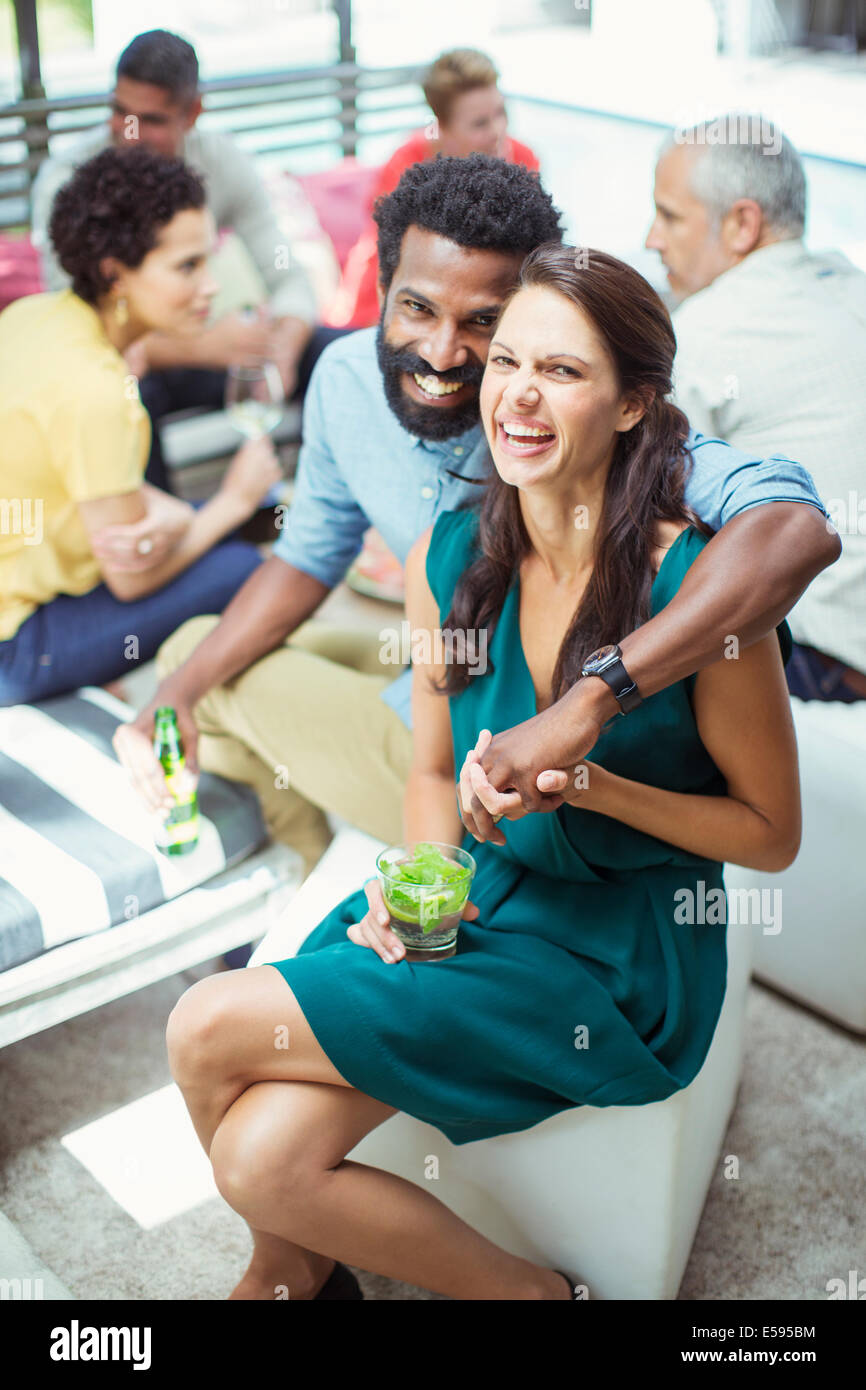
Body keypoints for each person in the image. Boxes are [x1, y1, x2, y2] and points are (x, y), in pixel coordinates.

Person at [161, 246, 801, 1301]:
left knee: (201, 1023)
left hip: (617, 950)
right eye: (506, 361)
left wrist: (591, 784)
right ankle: (509, 1293)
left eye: (562, 371)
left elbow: (767, 833)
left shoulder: (694, 595)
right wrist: (420, 894)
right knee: (258, 1158)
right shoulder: (450, 556)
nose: (515, 393)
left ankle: (288, 1274)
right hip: (478, 900)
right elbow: (425, 770)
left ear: (635, 402)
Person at [113, 154, 836, 881]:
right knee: (193, 670)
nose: (440, 351)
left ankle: (313, 874)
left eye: (483, 324)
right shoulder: (347, 382)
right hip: (447, 680)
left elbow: (798, 528)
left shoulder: (572, 422)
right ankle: (307, 868)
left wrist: (586, 705)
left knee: (204, 677)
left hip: (515, 752)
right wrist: (172, 698)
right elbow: (308, 555)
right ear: (382, 288)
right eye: (417, 307)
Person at [0, 146, 279, 706]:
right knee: (248, 565)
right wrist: (233, 499)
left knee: (213, 528)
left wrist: (177, 516)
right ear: (114, 274)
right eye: (187, 267)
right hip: (18, 644)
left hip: (30, 573)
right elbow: (131, 580)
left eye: (207, 259)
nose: (212, 287)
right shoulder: (98, 393)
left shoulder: (33, 316)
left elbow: (73, 470)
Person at [30, 28, 342, 496]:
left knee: (340, 356)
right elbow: (79, 335)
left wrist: (282, 345)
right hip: (139, 360)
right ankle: (162, 545)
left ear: (192, 113)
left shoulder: (221, 160)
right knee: (124, 392)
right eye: (119, 111)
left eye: (151, 119)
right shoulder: (68, 182)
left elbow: (287, 274)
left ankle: (334, 514)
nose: (129, 133)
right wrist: (205, 348)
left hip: (219, 351)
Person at [645, 113, 866, 704]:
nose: (651, 239)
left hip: (824, 661)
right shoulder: (849, 282)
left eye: (668, 215)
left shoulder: (708, 333)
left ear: (743, 223)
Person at [329, 47, 540, 329]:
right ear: (442, 127)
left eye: (501, 112)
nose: (498, 131)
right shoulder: (406, 166)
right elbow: (393, 264)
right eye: (480, 123)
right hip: (387, 299)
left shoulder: (523, 158)